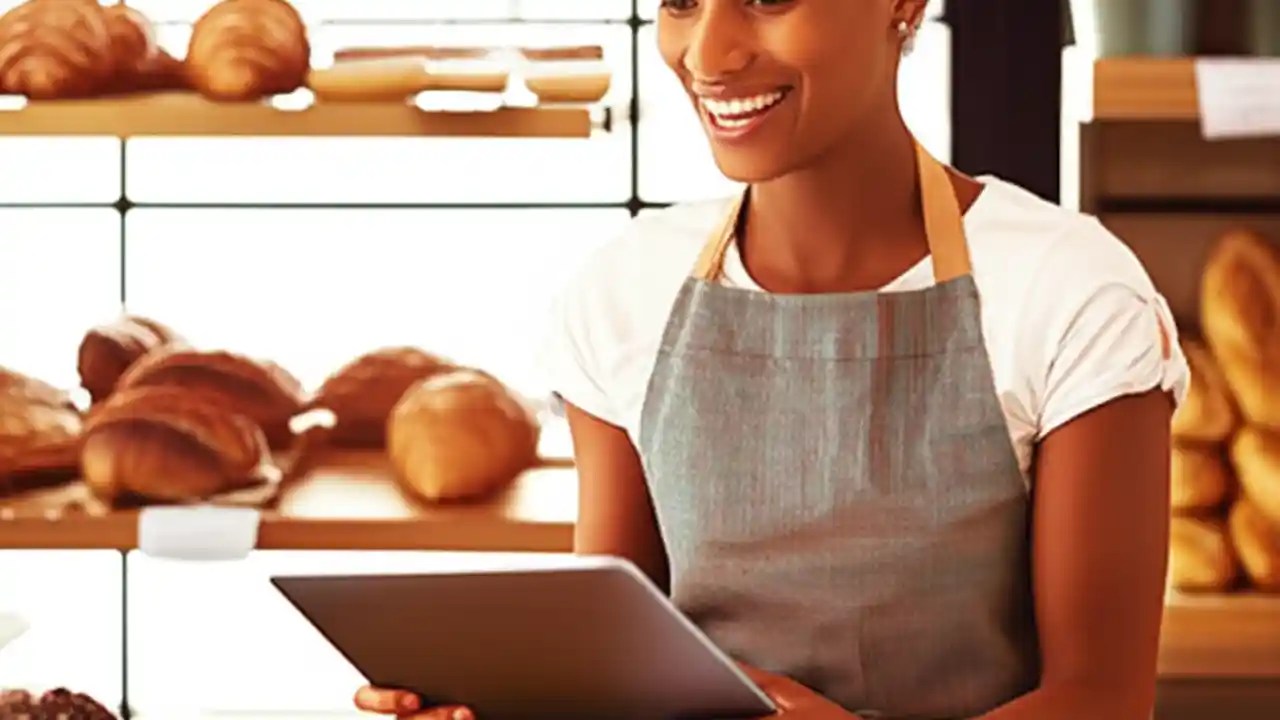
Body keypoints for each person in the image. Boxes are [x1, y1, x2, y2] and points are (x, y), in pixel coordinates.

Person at [355, 0, 1188, 718]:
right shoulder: (623, 291)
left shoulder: (1068, 287)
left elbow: (1106, 701)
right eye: (681, 2)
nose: (710, 55)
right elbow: (615, 663)